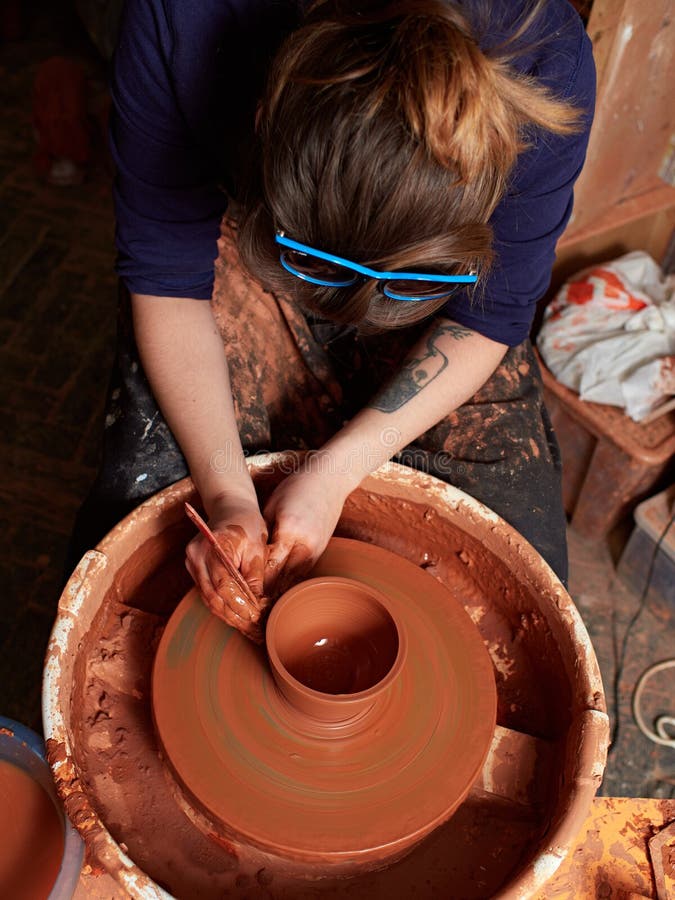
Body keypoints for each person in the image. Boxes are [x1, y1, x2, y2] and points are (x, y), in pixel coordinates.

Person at [72, 0, 595, 619]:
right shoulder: (185, 18)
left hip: (439, 287)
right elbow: (166, 279)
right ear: (263, 117)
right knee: (137, 504)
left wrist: (332, 477)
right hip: (244, 232)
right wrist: (227, 494)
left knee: (523, 566)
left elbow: (491, 314)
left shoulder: (543, 61)